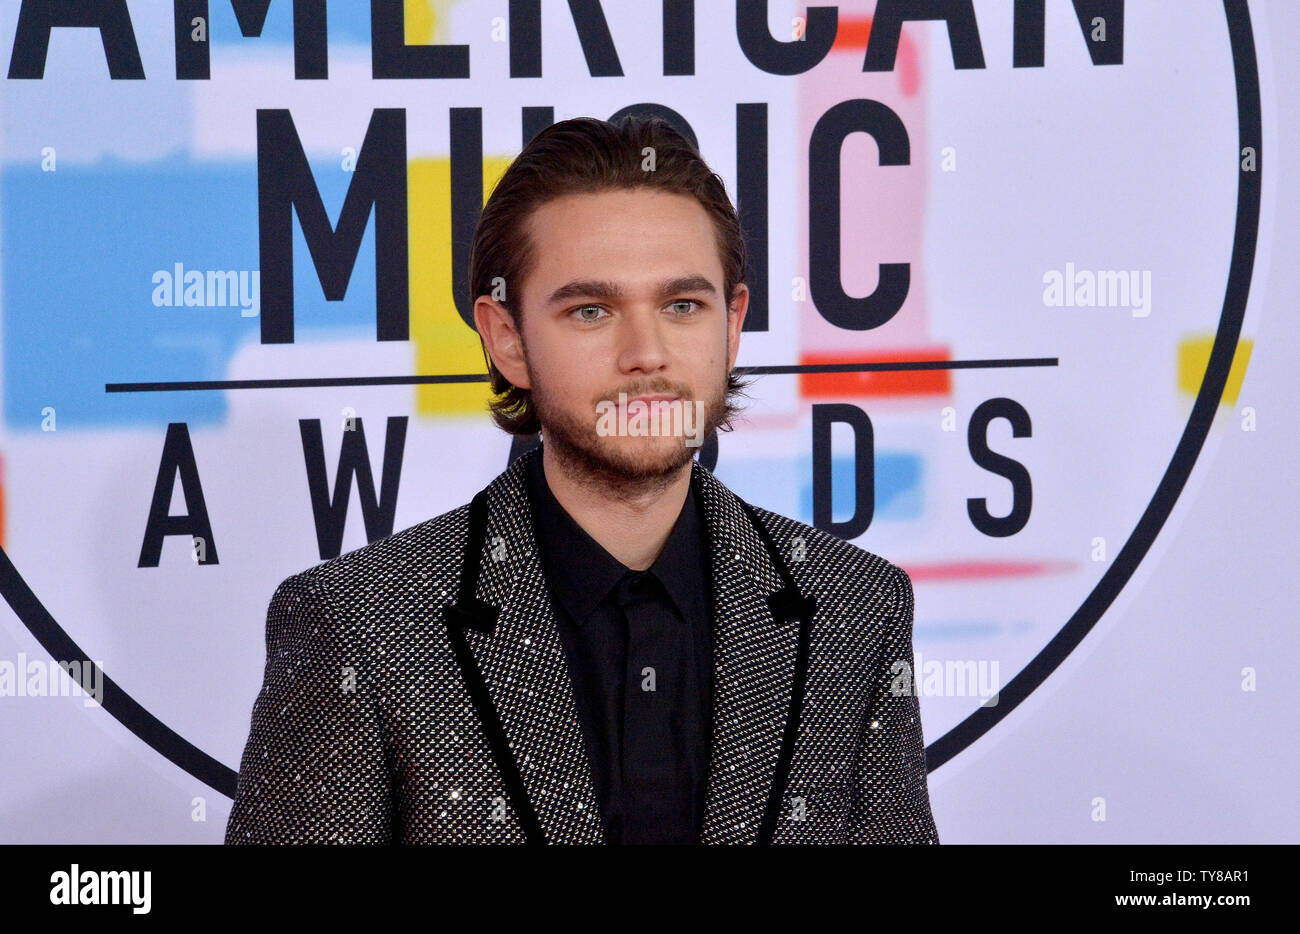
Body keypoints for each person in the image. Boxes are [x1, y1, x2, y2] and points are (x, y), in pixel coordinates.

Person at [225, 115, 938, 844]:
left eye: (682, 306)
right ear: (507, 339)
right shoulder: (359, 625)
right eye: (591, 311)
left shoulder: (855, 609)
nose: (646, 354)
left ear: (732, 325)